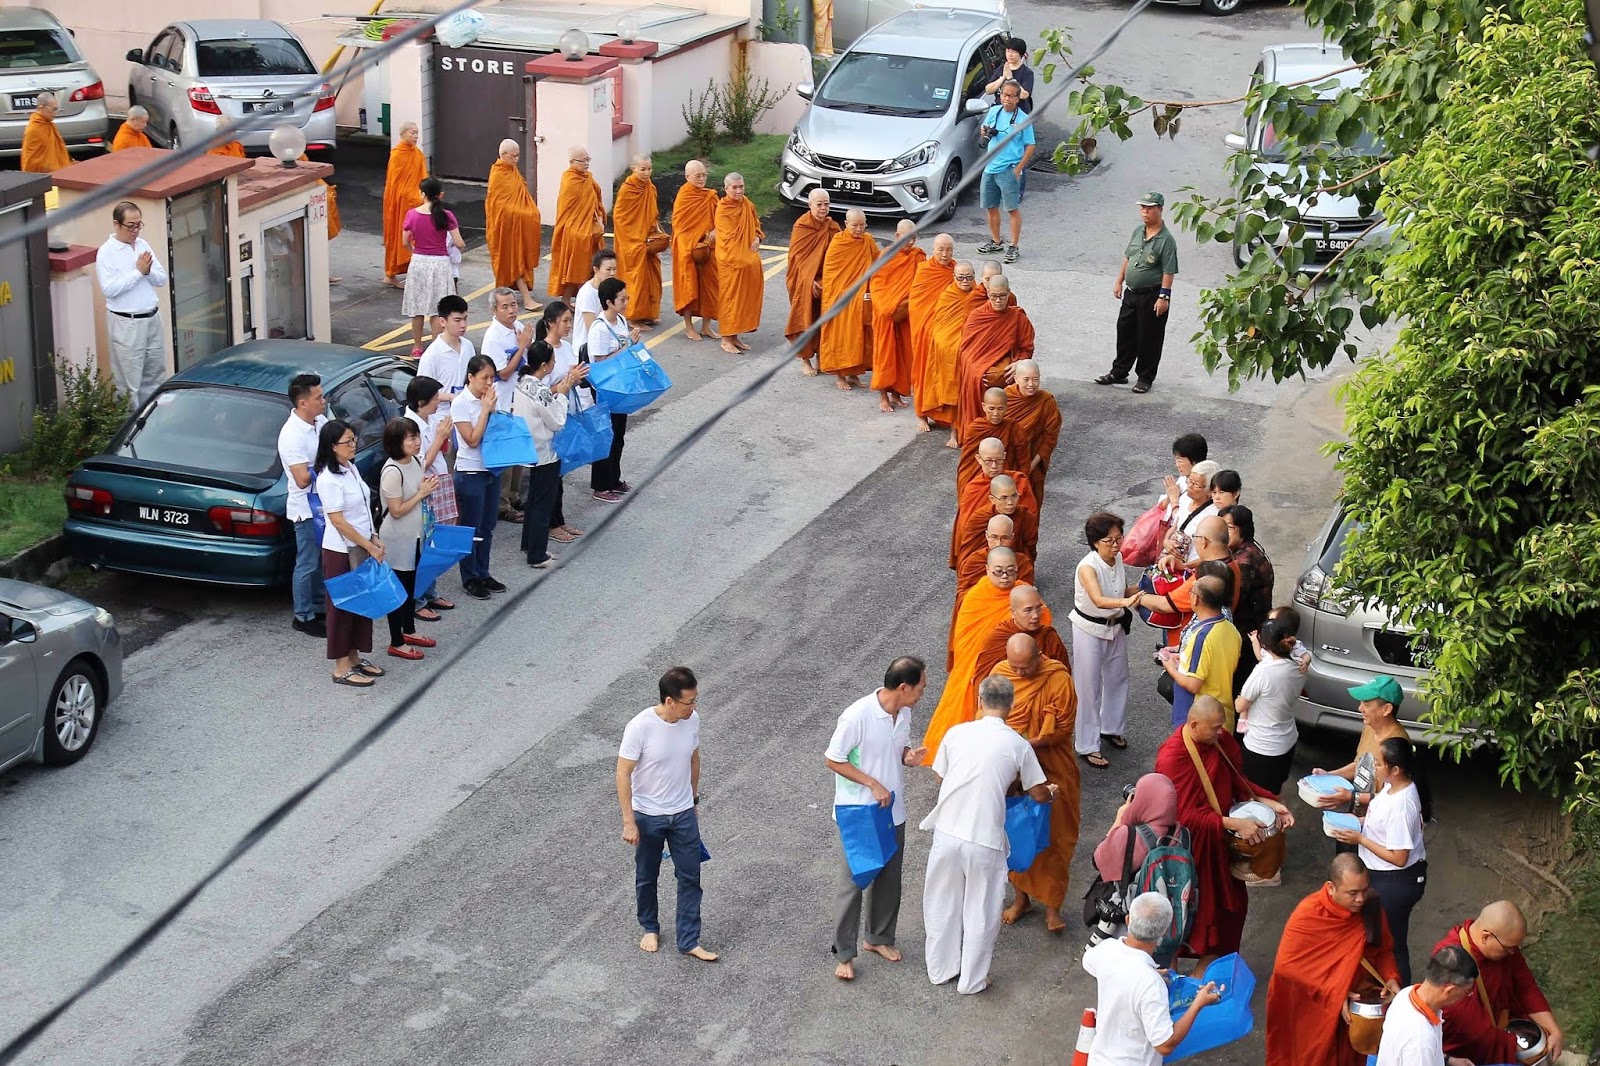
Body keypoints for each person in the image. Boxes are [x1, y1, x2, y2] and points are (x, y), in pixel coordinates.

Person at [921, 675, 1057, 994]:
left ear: (979, 701)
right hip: (985, 838)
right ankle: (972, 980)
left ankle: (940, 970)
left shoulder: (956, 733)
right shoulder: (1017, 744)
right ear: (1011, 706)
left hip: (947, 831)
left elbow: (942, 775)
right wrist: (1052, 792)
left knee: (942, 902)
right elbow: (1037, 794)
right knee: (981, 909)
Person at [1154, 696, 1293, 967]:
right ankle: (1172, 970)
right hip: (1192, 847)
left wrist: (1267, 801)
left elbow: (1236, 780)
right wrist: (1234, 824)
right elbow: (1184, 815)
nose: (1221, 732)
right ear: (1194, 725)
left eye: (1221, 726)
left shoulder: (1219, 741)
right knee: (1188, 910)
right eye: (1214, 728)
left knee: (1230, 909)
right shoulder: (1173, 756)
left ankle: (1210, 964)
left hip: (1219, 842)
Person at [824, 656, 929, 981]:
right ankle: (844, 953)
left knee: (889, 878)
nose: (924, 692)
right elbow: (833, 759)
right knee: (854, 882)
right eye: (921, 686)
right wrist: (872, 783)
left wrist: (908, 757)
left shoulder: (905, 713)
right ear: (903, 687)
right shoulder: (857, 716)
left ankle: (878, 937)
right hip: (859, 812)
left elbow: (897, 749)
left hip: (892, 809)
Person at [616, 666, 718, 962]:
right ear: (670, 701)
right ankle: (650, 926)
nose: (694, 707)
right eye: (689, 702)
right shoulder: (640, 727)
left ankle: (689, 940)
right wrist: (628, 820)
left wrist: (694, 800)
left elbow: (694, 758)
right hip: (648, 815)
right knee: (647, 875)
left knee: (691, 875)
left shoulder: (692, 720)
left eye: (696, 700)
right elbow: (623, 774)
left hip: (683, 812)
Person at [1264, 854, 1401, 1066]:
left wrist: (1390, 976)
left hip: (1354, 1009)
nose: (1360, 899)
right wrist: (1337, 991)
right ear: (1331, 888)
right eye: (1352, 893)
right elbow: (1286, 967)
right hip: (1312, 1010)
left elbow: (1383, 950)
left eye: (1365, 890)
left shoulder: (1370, 909)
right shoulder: (1309, 914)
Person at [991, 634, 1079, 933]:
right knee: (1016, 833)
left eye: (1026, 668)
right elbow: (989, 718)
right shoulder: (1000, 675)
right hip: (1013, 773)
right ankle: (1021, 899)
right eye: (1015, 667)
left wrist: (1023, 746)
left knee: (1055, 838)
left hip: (1051, 766)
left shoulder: (1058, 678)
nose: (1019, 674)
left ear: (1040, 655)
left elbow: (1062, 727)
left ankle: (1053, 907)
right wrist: (1013, 752)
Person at [1329, 737, 1428, 985]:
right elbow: (1378, 818)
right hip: (1383, 876)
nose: (1375, 768)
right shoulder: (1391, 787)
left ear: (1395, 769)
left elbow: (1399, 856)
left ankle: (1401, 996)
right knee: (1379, 937)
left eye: (1379, 765)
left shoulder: (1402, 806)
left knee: (1392, 943)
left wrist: (1360, 838)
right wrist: (1352, 824)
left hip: (1395, 880)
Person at [1083, 892, 1221, 1066]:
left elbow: (1087, 961)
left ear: (1128, 921)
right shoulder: (1151, 984)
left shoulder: (1107, 950)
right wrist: (1198, 1004)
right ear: (1163, 934)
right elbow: (1164, 1045)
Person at [1434, 900, 1564, 1065]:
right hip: (1468, 1052)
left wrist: (1553, 1030)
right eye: (1508, 948)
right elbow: (1468, 1027)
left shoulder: (1505, 947)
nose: (1512, 953)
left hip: (1501, 1028)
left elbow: (1525, 986)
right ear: (1486, 937)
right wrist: (1515, 1047)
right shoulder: (1450, 960)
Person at [922, 549, 1023, 758]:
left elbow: (1040, 622)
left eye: (1011, 571)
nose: (1005, 577)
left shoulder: (1022, 593)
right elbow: (966, 640)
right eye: (999, 572)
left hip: (1015, 666)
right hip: (977, 667)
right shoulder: (977, 597)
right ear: (987, 570)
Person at [313, 420, 385, 689]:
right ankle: (341, 665)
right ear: (332, 447)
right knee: (342, 606)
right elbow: (339, 521)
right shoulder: (328, 479)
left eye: (354, 439)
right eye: (347, 441)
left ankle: (354, 656)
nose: (353, 445)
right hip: (341, 549)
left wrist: (374, 536)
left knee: (360, 603)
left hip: (363, 542)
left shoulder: (350, 468)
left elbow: (365, 509)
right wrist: (368, 546)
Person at [1073, 511, 1144, 769]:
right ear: (1095, 542)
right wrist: (1125, 602)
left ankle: (1111, 727)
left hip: (1114, 627)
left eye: (1118, 539)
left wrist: (1145, 586)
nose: (1116, 545)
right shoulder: (1087, 567)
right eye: (1109, 541)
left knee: (1118, 678)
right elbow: (1099, 599)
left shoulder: (1118, 559)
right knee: (1088, 687)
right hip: (1089, 629)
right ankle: (1087, 744)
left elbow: (1121, 591)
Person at [1097, 192, 1180, 394]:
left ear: (1160, 209)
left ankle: (1145, 377)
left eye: (1150, 207)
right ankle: (1119, 372)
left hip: (1152, 295)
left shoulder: (1166, 240)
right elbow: (1128, 257)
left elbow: (1168, 271)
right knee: (1125, 332)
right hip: (1131, 293)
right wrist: (1119, 281)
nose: (1145, 211)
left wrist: (1164, 297)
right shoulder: (1138, 231)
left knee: (1149, 337)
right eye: (1142, 207)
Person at [512, 340, 584, 569]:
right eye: (553, 360)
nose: (554, 364)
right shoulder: (540, 390)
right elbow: (557, 421)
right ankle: (537, 554)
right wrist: (562, 394)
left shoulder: (522, 383)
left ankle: (529, 544)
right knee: (543, 503)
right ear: (544, 365)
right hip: (545, 452)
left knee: (533, 500)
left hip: (529, 449)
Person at [96, 201, 169, 407]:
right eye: (131, 225)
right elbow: (109, 289)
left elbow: (161, 279)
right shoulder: (107, 252)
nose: (135, 230)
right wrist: (138, 272)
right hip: (127, 322)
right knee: (129, 385)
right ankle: (131, 431)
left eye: (139, 225)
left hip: (152, 317)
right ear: (117, 224)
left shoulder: (143, 245)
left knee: (155, 376)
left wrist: (147, 271)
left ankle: (153, 422)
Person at [377, 418, 437, 661]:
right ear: (396, 443)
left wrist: (425, 489)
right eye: (410, 438)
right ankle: (396, 641)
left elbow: (417, 490)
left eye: (416, 436)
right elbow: (397, 509)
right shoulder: (391, 471)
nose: (416, 441)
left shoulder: (415, 461)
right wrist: (422, 493)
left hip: (415, 535)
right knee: (398, 591)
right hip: (397, 539)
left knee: (410, 585)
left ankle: (409, 629)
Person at [1311, 676, 1412, 818]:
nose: (1360, 708)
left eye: (1367, 704)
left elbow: (1395, 799)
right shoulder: (1370, 727)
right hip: (1357, 813)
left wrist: (1352, 797)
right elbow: (1360, 765)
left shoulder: (1397, 745)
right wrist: (1328, 775)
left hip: (1377, 821)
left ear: (1386, 709)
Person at [278, 373, 329, 638]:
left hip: (325, 504)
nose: (324, 400)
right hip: (306, 508)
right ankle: (303, 615)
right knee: (307, 562)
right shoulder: (291, 436)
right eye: (318, 397)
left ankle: (319, 607)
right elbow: (301, 479)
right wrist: (326, 460)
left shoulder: (320, 422)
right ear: (302, 403)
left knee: (322, 559)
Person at [533, 301, 587, 545]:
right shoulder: (542, 351)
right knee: (549, 476)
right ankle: (551, 524)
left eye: (569, 320)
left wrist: (577, 378)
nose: (568, 325)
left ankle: (559, 518)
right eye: (564, 321)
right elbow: (539, 389)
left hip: (567, 414)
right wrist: (566, 383)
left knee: (560, 472)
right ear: (550, 323)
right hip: (548, 418)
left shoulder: (566, 347)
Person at [586, 276, 644, 503]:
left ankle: (614, 478)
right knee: (606, 436)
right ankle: (600, 485)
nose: (626, 302)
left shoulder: (619, 319)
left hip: (620, 386)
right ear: (609, 302)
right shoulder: (599, 329)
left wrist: (632, 344)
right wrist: (627, 346)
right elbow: (601, 363)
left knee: (618, 434)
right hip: (606, 388)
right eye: (622, 299)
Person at [451, 355, 504, 600]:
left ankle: (484, 571)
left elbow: (496, 431)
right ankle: (469, 576)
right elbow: (471, 440)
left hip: (492, 467)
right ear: (470, 377)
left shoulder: (490, 398)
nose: (488, 383)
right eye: (484, 378)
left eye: (492, 378)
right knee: (471, 528)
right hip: (471, 471)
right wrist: (484, 411)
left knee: (488, 525)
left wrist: (492, 410)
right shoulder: (461, 403)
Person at [402, 375, 455, 621]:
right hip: (423, 490)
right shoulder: (409, 428)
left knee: (436, 541)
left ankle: (431, 592)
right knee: (422, 546)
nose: (438, 403)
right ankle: (418, 599)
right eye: (434, 399)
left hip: (438, 483)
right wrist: (440, 438)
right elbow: (420, 464)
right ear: (421, 402)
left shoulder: (428, 419)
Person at [1160, 575, 1243, 729]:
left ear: (1197, 599)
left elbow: (1193, 685)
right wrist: (1184, 658)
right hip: (1223, 717)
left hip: (1201, 721)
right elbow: (1217, 663)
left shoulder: (1201, 636)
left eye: (1191, 591)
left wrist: (1170, 667)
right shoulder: (1232, 630)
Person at [481, 287, 533, 524]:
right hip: (502, 401)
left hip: (519, 397)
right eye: (505, 306)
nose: (512, 310)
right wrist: (522, 347)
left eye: (513, 304)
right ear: (494, 310)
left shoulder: (518, 328)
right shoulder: (494, 336)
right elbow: (501, 373)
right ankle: (502, 504)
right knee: (506, 455)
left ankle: (514, 495)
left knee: (519, 451)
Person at [1236, 613, 1303, 795]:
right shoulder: (1300, 665)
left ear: (1265, 645)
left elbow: (1240, 706)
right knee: (1274, 793)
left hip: (1261, 747)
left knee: (1255, 797)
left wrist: (1239, 697)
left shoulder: (1264, 672)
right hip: (1287, 741)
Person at [1377, 946, 1479, 1066]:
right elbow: (1421, 1049)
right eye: (1467, 991)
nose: (1466, 996)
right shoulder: (1420, 1041)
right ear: (1449, 990)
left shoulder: (1406, 993)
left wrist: (1448, 1060)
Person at [956, 274, 1035, 428]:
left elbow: (1027, 347)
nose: (998, 301)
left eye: (1002, 296)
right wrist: (976, 373)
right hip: (982, 376)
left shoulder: (1018, 317)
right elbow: (965, 352)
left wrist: (1019, 363)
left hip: (1008, 375)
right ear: (987, 293)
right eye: (993, 296)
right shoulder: (977, 316)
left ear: (1009, 293)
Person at [401, 179, 465, 357]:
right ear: (440, 195)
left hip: (419, 262)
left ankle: (417, 346)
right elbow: (459, 242)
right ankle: (435, 346)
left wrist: (416, 251)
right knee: (437, 308)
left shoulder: (412, 215)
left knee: (417, 307)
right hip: (440, 263)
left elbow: (405, 241)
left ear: (422, 194)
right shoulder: (446, 216)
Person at [950, 435, 1034, 569]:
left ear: (1005, 456)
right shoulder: (973, 487)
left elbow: (1029, 520)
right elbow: (965, 527)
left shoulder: (1019, 482)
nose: (994, 466)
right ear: (978, 459)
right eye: (989, 461)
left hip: (1011, 544)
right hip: (982, 548)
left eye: (999, 460)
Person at [972, 584, 1071, 697]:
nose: (1035, 615)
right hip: (1008, 704)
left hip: (1043, 703)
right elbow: (982, 682)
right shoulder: (996, 639)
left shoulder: (1049, 637)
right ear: (1013, 613)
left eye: (1039, 608)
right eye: (1028, 610)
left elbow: (1062, 675)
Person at [868, 219, 924, 412]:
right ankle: (883, 396)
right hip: (886, 316)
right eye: (907, 238)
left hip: (907, 313)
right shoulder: (886, 256)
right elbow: (876, 285)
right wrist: (888, 308)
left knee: (904, 354)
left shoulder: (918, 257)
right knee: (885, 355)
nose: (910, 242)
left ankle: (897, 394)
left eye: (914, 238)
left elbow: (921, 285)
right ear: (897, 236)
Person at [976, 81, 1035, 264]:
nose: (1006, 98)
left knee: (1011, 208)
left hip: (1009, 168)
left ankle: (1014, 246)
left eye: (1011, 96)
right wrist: (984, 131)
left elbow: (1031, 145)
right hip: (990, 167)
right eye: (1004, 95)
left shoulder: (1023, 119)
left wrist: (1018, 169)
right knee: (990, 206)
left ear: (1018, 98)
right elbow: (983, 129)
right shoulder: (994, 111)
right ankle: (996, 241)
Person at [817, 208, 877, 388]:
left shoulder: (868, 241)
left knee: (860, 335)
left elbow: (878, 263)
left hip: (860, 296)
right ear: (846, 225)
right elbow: (832, 274)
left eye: (862, 224)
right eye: (855, 225)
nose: (859, 229)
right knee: (841, 335)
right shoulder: (838, 243)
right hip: (840, 297)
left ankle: (854, 373)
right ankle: (840, 375)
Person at [784, 188, 839, 375]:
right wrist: (810, 280)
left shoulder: (832, 227)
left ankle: (821, 358)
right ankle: (805, 361)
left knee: (825, 320)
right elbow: (798, 258)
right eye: (819, 204)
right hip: (803, 280)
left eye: (826, 204)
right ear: (810, 206)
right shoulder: (802, 227)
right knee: (804, 318)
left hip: (826, 280)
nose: (823, 208)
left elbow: (840, 255)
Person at [485, 139, 543, 313]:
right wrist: (521, 214)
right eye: (513, 156)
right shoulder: (498, 175)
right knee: (513, 260)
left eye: (518, 155)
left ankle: (503, 296)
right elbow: (499, 205)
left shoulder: (512, 171)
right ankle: (525, 299)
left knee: (517, 260)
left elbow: (520, 196)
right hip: (504, 227)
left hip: (517, 226)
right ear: (503, 155)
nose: (517, 159)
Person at [1092, 774, 1178, 885]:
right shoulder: (1181, 834)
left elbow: (1097, 861)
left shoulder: (1128, 836)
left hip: (1131, 900)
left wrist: (1119, 820)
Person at [713, 172, 764, 354]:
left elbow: (756, 224)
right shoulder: (723, 209)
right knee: (731, 299)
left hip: (746, 258)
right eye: (734, 187)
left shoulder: (747, 204)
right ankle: (726, 338)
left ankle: (735, 336)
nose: (738, 190)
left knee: (743, 299)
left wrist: (757, 238)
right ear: (726, 189)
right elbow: (728, 240)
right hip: (731, 262)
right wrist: (746, 259)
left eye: (741, 186)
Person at [910, 233, 956, 432]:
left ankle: (943, 412)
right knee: (924, 371)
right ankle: (922, 414)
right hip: (926, 330)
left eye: (948, 250)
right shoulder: (924, 270)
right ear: (933, 250)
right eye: (940, 249)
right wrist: (930, 325)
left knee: (945, 372)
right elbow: (917, 303)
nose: (944, 254)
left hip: (946, 331)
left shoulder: (955, 270)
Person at [670, 160, 721, 341]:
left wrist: (711, 236)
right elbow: (680, 227)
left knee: (710, 286)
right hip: (688, 249)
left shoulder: (711, 196)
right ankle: (689, 326)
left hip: (708, 247)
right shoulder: (684, 197)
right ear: (687, 177)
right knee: (688, 286)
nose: (702, 179)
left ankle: (706, 326)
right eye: (697, 176)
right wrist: (693, 243)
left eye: (704, 175)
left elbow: (719, 222)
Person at [547, 145, 606, 300]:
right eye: (582, 160)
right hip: (573, 232)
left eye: (588, 159)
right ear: (572, 162)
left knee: (588, 267)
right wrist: (580, 231)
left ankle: (581, 299)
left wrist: (599, 218)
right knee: (575, 268)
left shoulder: (588, 179)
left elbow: (595, 203)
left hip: (590, 229)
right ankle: (576, 300)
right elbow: (565, 214)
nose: (586, 163)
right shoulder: (570, 181)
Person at [614, 154, 665, 326]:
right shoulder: (627, 189)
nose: (646, 173)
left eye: (649, 168)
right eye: (642, 169)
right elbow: (620, 217)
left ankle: (648, 313)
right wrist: (636, 238)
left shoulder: (650, 187)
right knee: (635, 278)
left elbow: (652, 212)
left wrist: (655, 229)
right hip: (632, 241)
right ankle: (632, 316)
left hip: (647, 239)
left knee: (652, 278)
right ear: (633, 168)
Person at [952, 474, 1039, 568]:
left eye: (1014, 496)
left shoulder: (1026, 516)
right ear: (992, 499)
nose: (1010, 502)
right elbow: (968, 551)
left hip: (1013, 566)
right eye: (1004, 498)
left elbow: (1030, 548)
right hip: (984, 565)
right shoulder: (980, 517)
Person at [1003, 360, 1061, 497]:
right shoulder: (1006, 398)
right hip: (1005, 461)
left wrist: (1030, 467)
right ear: (1016, 379)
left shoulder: (1046, 401)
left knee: (1029, 506)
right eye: (1026, 379)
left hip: (1032, 462)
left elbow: (1050, 438)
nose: (1031, 384)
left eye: (1035, 379)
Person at [955, 387, 1027, 493]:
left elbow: (1023, 459)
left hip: (1003, 482)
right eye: (991, 408)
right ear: (984, 406)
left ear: (1007, 407)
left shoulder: (1014, 428)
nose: (996, 413)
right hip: (976, 479)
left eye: (1000, 408)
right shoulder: (976, 428)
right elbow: (967, 462)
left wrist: (1020, 481)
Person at [383, 122, 427, 288]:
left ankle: (412, 272)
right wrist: (412, 197)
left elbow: (422, 179)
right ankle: (390, 274)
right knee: (397, 236)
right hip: (399, 204)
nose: (415, 136)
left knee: (415, 237)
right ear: (402, 135)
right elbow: (395, 185)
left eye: (417, 133)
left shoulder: (418, 155)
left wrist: (425, 195)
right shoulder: (397, 155)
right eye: (412, 133)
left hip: (415, 202)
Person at [955, 514, 1035, 599]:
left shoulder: (1022, 563)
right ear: (986, 536)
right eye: (994, 537)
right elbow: (963, 595)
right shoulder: (975, 560)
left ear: (1012, 537)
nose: (998, 544)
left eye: (1005, 538)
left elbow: (1026, 596)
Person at [572, 248, 619, 356]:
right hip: (588, 351)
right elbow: (592, 329)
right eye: (608, 269)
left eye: (614, 269)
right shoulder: (587, 293)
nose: (612, 273)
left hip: (605, 346)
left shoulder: (610, 288)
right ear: (596, 269)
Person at [20, 93, 70, 173]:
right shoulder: (34, 129)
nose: (55, 112)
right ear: (41, 108)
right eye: (53, 109)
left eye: (56, 109)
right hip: (39, 175)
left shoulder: (50, 125)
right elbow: (33, 160)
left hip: (54, 170)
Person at [984, 37, 1035, 115]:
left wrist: (1010, 79)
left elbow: (1024, 95)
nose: (1010, 55)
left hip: (1019, 113)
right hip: (1000, 111)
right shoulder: (1002, 69)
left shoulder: (1027, 73)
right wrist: (1003, 78)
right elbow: (988, 90)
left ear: (1021, 54)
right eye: (1008, 51)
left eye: (1013, 52)